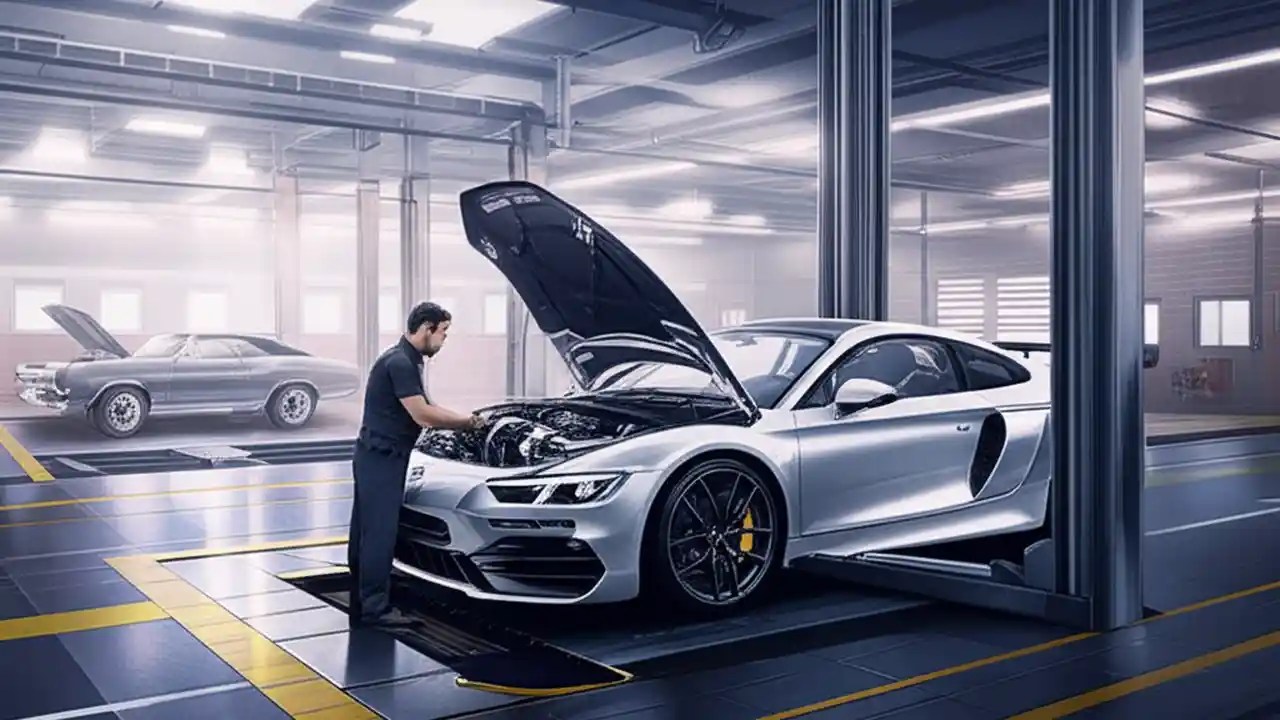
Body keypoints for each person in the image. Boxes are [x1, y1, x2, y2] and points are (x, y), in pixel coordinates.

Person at [347, 301, 484, 627]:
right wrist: (468, 423)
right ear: (426, 328)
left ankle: (361, 599)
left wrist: (462, 418)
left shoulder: (404, 359)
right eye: (443, 332)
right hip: (382, 458)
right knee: (380, 533)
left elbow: (428, 405)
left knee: (365, 531)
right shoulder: (400, 363)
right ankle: (375, 610)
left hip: (374, 455)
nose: (444, 339)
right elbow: (422, 414)